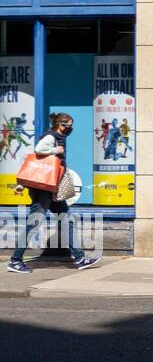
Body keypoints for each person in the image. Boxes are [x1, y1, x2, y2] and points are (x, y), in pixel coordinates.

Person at [7, 113, 99, 274]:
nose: (71, 128)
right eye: (69, 125)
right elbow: (38, 150)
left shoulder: (58, 136)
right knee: (34, 223)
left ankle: (79, 258)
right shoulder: (51, 137)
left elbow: (40, 164)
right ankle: (15, 260)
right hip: (43, 189)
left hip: (51, 187)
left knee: (65, 219)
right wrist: (55, 149)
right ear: (61, 125)